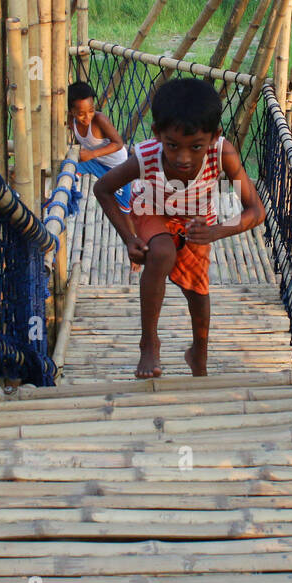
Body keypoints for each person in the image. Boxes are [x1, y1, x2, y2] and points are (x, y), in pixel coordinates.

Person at [93, 77, 265, 379]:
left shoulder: (222, 155)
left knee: (198, 294)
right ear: (158, 134)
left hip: (197, 223)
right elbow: (103, 189)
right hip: (151, 210)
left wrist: (216, 231)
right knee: (161, 253)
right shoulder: (146, 157)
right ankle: (149, 342)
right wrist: (129, 238)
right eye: (172, 146)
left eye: (195, 146)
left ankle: (199, 352)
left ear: (214, 136)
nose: (183, 158)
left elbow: (256, 211)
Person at [66, 80, 138, 213]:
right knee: (67, 169)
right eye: (81, 114)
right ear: (71, 112)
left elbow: (118, 143)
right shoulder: (71, 121)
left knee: (124, 208)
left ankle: (131, 232)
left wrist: (91, 154)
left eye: (91, 110)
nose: (87, 117)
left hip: (117, 166)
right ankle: (65, 202)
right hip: (96, 161)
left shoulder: (99, 120)